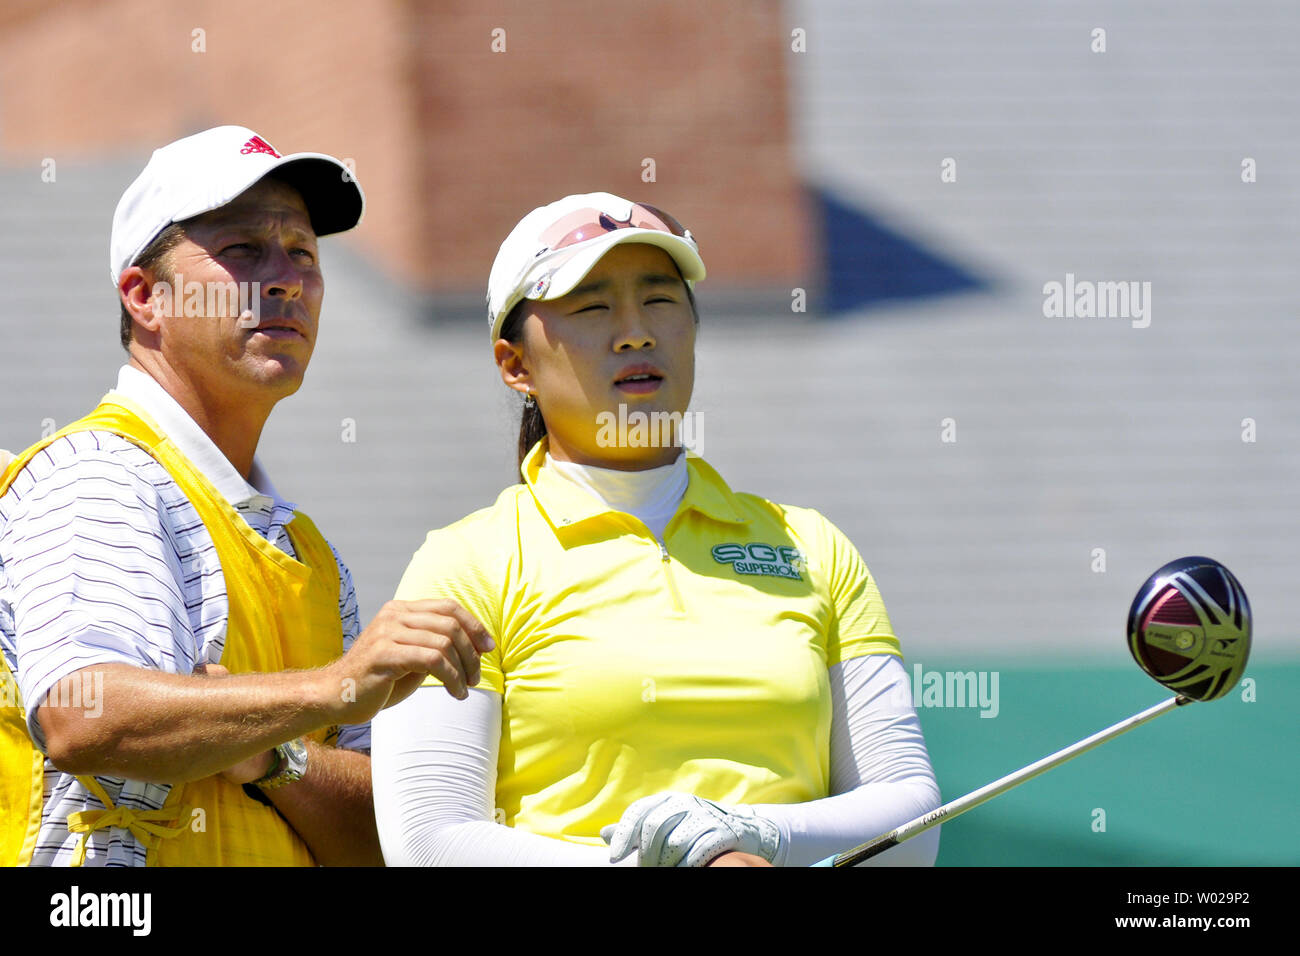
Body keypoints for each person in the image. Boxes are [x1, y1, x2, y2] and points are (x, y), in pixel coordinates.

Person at [370, 192, 942, 866]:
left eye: (661, 300)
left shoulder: (812, 548)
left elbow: (914, 821)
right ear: (515, 364)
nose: (635, 331)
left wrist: (755, 833)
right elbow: (429, 844)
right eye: (592, 306)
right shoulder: (465, 565)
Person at [0, 126, 490, 867]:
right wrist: (332, 688)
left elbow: (382, 845)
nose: (286, 278)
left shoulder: (309, 556)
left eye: (302, 251)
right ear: (145, 297)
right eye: (241, 252)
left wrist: (273, 755)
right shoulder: (96, 474)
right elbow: (78, 714)